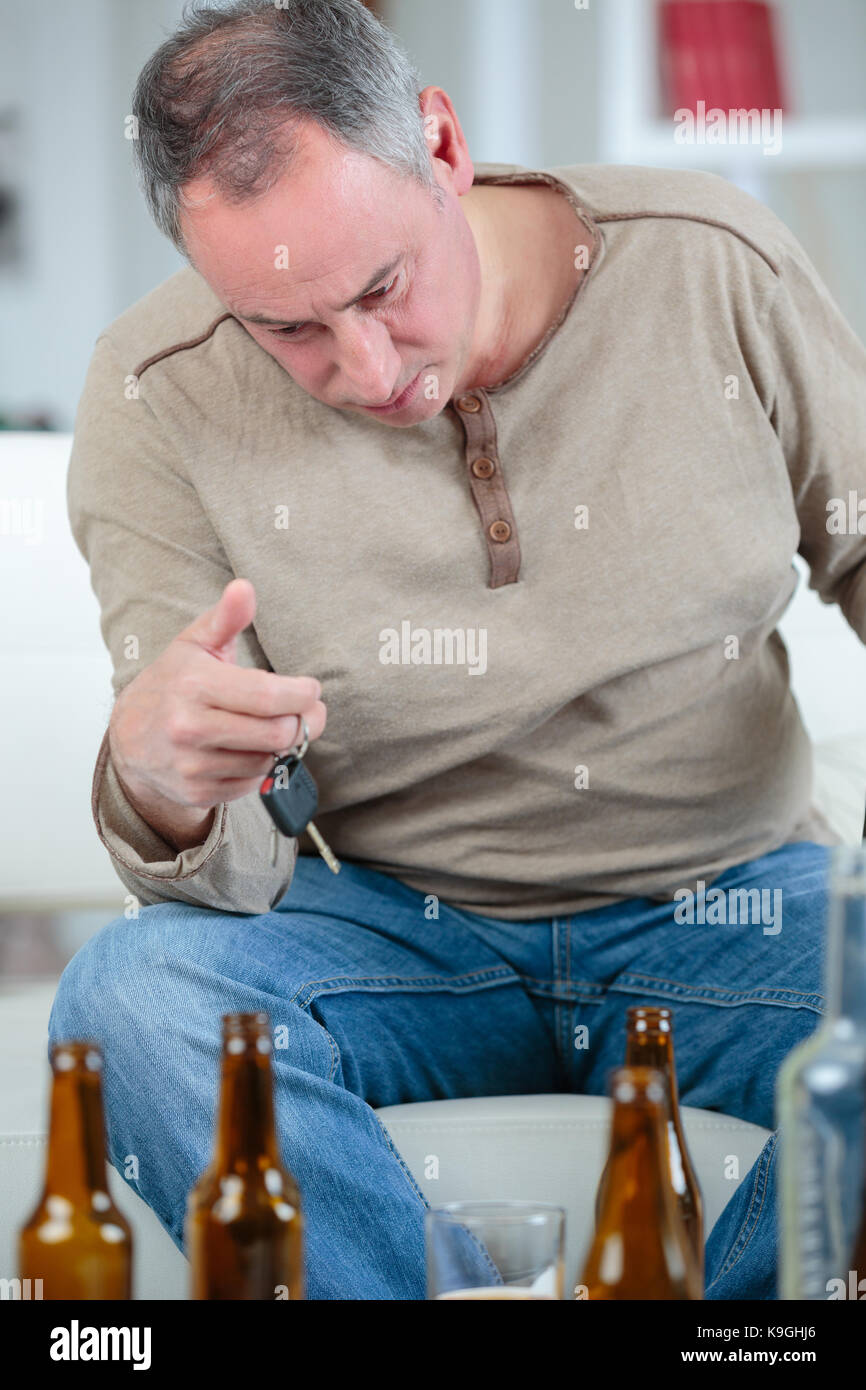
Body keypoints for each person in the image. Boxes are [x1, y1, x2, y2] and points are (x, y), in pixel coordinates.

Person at [50, 0, 866, 1299]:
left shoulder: (712, 265)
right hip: (389, 932)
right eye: (286, 329)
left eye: (382, 287)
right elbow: (230, 864)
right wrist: (160, 782)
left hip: (734, 906)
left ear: (440, 145)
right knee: (130, 998)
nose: (368, 367)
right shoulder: (156, 394)